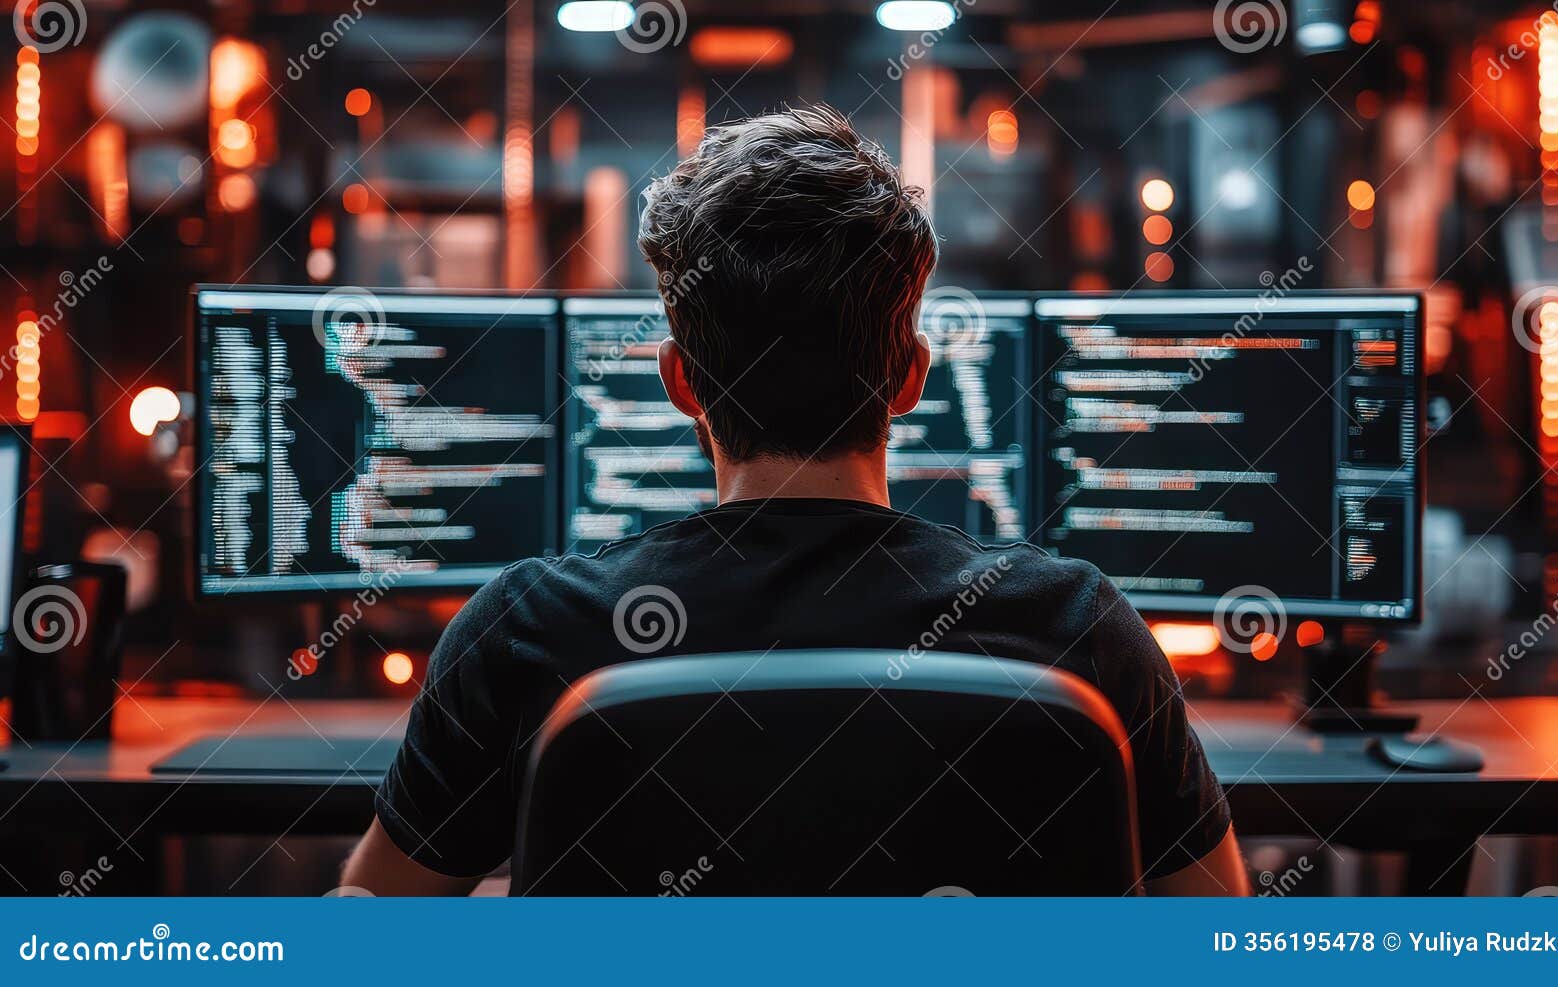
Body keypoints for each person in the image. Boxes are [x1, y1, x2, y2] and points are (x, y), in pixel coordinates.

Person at [344, 104, 1247, 896]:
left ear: (681, 383)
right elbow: (1219, 937)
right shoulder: (1077, 628)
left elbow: (368, 931)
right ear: (909, 378)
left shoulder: (526, 631)